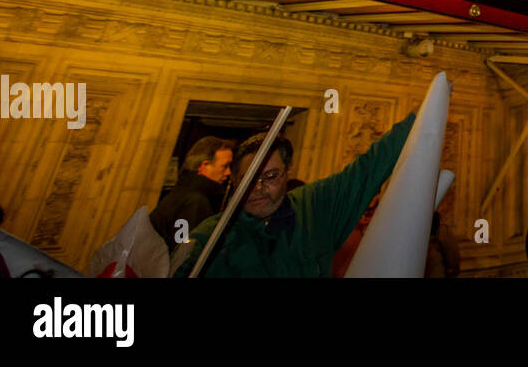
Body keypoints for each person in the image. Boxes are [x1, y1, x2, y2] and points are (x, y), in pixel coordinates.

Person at [172, 113, 414, 277]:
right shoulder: (210, 236)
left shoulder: (313, 207)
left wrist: (424, 114)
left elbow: (369, 168)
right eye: (247, 180)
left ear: (288, 172)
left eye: (270, 177)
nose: (257, 188)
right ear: (235, 181)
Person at [149, 136, 233, 245]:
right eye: (225, 166)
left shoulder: (181, 193)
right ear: (204, 166)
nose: (228, 172)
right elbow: (185, 249)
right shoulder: (195, 202)